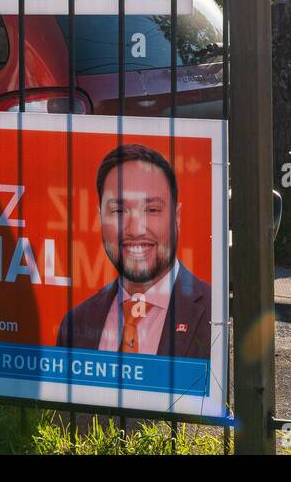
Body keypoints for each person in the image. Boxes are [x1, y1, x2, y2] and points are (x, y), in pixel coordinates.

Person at [56, 144, 211, 358]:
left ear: (177, 217)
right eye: (119, 211)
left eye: (152, 210)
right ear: (100, 217)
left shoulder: (215, 315)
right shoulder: (75, 323)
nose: (136, 229)